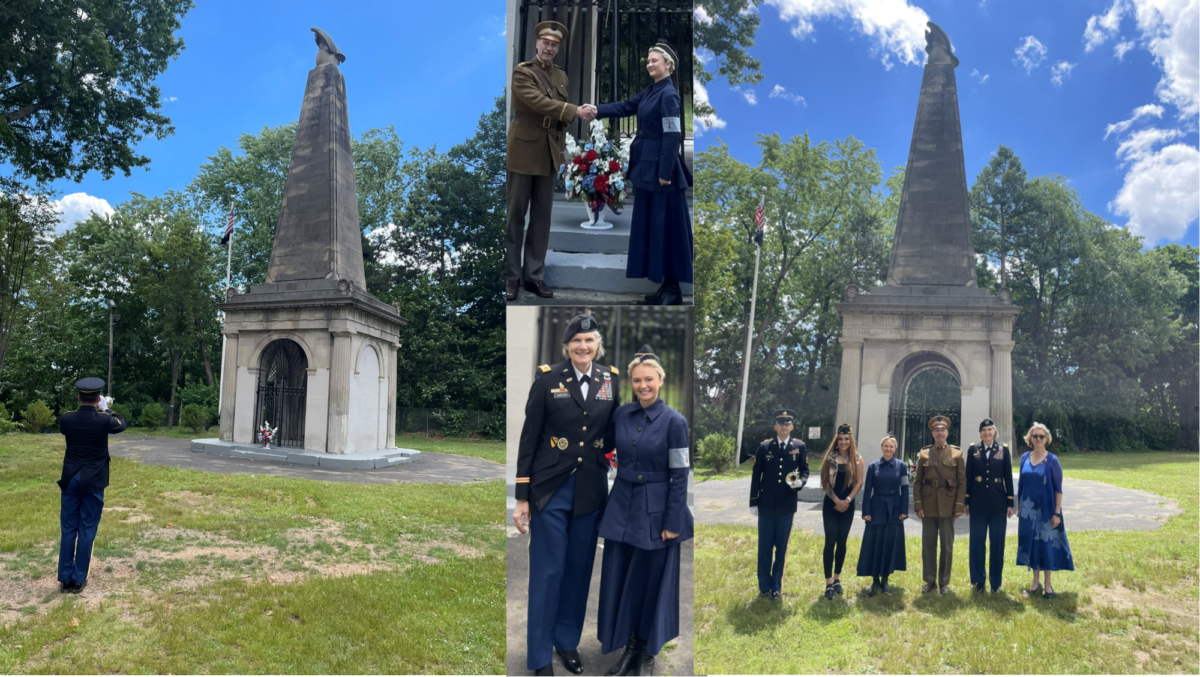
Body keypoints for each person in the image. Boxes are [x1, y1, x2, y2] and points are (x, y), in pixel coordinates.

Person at [513, 314, 620, 677]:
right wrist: (522, 496)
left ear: (597, 345)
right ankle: (540, 657)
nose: (583, 346)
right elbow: (530, 439)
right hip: (550, 489)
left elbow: (615, 431)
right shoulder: (547, 380)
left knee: (577, 571)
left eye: (589, 340)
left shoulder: (610, 380)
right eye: (576, 340)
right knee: (547, 573)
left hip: (590, 490)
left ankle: (566, 640)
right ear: (567, 346)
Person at [597, 345, 692, 677]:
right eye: (637, 380)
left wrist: (673, 521)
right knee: (624, 582)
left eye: (648, 379)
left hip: (657, 514)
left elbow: (680, 474)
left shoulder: (675, 421)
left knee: (651, 585)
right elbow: (602, 446)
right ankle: (630, 649)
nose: (643, 386)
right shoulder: (622, 414)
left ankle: (647, 653)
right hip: (622, 508)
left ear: (660, 379)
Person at [594, 41, 692, 306]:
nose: (650, 64)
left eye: (654, 61)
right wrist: (595, 110)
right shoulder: (652, 91)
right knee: (655, 227)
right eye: (648, 61)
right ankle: (666, 287)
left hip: (660, 175)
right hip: (646, 171)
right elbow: (626, 106)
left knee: (666, 228)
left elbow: (673, 135)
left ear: (668, 65)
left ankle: (673, 290)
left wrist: (665, 172)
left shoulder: (668, 94)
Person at [506, 21, 598, 302]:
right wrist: (573, 110)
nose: (549, 48)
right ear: (537, 44)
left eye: (554, 44)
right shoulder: (523, 72)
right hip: (523, 149)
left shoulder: (561, 76)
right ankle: (511, 276)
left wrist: (560, 152)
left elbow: (557, 120)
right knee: (515, 217)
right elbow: (536, 102)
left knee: (542, 219)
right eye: (546, 43)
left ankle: (534, 276)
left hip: (548, 151)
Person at [57, 377, 128, 594]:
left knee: (69, 528)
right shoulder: (104, 419)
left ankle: (65, 578)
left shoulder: (66, 419)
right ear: (98, 399)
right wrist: (108, 410)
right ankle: (79, 579)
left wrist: (100, 410)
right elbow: (123, 424)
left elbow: (68, 429)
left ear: (79, 397)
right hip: (93, 479)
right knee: (87, 528)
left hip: (71, 477)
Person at [748, 409, 809, 600]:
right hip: (766, 505)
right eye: (780, 423)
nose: (784, 426)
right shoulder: (765, 447)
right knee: (765, 548)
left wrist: (801, 482)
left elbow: (805, 470)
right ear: (775, 427)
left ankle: (776, 588)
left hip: (786, 505)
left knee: (781, 548)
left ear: (792, 426)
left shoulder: (799, 446)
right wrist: (753, 501)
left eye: (787, 423)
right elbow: (756, 475)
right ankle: (764, 587)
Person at [1015, 422, 1074, 599]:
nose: (1038, 439)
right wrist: (1019, 507)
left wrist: (1056, 513)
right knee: (1032, 545)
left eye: (1041, 436)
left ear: (1046, 439)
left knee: (1046, 544)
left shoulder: (1052, 460)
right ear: (1030, 439)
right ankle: (1035, 582)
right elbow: (1021, 484)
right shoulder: (1024, 457)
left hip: (1047, 511)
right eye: (1035, 436)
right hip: (1027, 511)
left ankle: (1048, 584)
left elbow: (1058, 488)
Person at [913, 415, 966, 595]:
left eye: (943, 430)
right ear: (933, 433)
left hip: (948, 505)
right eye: (937, 430)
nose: (940, 433)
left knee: (946, 545)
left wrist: (959, 506)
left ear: (947, 432)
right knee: (928, 544)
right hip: (927, 506)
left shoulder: (957, 453)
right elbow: (917, 482)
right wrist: (918, 506)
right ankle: (929, 580)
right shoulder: (924, 454)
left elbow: (962, 482)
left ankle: (944, 582)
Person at [965, 418, 1014, 594]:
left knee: (997, 543)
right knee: (977, 543)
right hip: (978, 503)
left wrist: (1010, 503)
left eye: (990, 430)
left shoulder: (1003, 450)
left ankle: (995, 583)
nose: (987, 433)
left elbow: (1008, 477)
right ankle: (978, 581)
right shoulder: (973, 450)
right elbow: (968, 477)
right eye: (984, 430)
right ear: (980, 433)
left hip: (998, 504)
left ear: (994, 432)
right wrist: (967, 501)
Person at [856, 434, 908, 597]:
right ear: (881, 447)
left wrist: (903, 511)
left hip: (894, 508)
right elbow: (867, 490)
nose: (888, 449)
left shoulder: (902, 466)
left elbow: (905, 490)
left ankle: (885, 579)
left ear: (895, 448)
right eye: (885, 446)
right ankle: (875, 580)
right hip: (877, 507)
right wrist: (866, 512)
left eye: (891, 446)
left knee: (889, 543)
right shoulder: (873, 466)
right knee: (875, 543)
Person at [819, 424, 863, 600]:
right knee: (830, 541)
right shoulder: (829, 459)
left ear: (850, 440)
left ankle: (837, 579)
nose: (844, 442)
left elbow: (859, 483)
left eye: (847, 439)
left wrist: (848, 500)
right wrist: (837, 500)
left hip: (848, 505)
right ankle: (828, 582)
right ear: (836, 440)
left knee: (842, 541)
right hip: (831, 504)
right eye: (841, 439)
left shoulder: (858, 460)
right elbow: (825, 483)